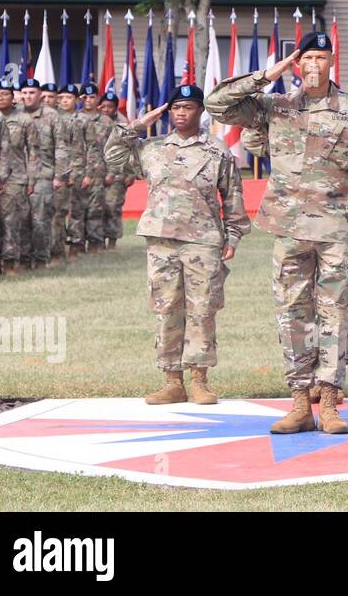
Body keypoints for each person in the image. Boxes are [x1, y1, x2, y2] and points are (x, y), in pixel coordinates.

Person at [207, 32, 348, 435]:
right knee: (292, 313)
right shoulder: (276, 106)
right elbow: (216, 103)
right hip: (289, 228)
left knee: (335, 314)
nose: (313, 66)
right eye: (306, 58)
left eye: (321, 58)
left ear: (331, 63)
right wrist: (267, 74)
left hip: (339, 229)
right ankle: (300, 402)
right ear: (296, 63)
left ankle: (329, 401)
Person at [107, 86, 250, 405]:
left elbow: (233, 196)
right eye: (175, 108)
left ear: (201, 111)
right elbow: (114, 157)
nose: (180, 113)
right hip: (162, 241)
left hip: (203, 241)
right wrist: (137, 125)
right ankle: (172, 380)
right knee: (166, 307)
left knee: (202, 308)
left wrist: (234, 235)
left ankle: (199, 379)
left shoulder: (217, 151)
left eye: (187, 107)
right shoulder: (152, 148)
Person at [0, 82, 31, 276]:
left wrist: (32, 179)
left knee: (11, 221)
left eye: (5, 94)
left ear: (12, 97)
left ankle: (9, 262)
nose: (1, 98)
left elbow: (33, 152)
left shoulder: (24, 120)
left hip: (15, 177)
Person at [19, 77, 58, 269]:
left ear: (40, 95)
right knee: (21, 219)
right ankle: (24, 259)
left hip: (44, 173)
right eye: (24, 93)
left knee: (40, 219)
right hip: (18, 175)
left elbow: (62, 146)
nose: (28, 96)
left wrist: (60, 175)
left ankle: (41, 259)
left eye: (32, 92)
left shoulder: (51, 116)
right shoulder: (15, 114)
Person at [52, 84, 85, 263]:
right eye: (62, 97)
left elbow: (80, 150)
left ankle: (74, 246)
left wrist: (76, 174)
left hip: (74, 172)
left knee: (75, 211)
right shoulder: (54, 118)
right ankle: (56, 249)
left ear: (76, 100)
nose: (64, 101)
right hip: (57, 171)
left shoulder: (80, 120)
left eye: (69, 97)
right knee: (57, 212)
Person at [98, 91, 135, 249]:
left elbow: (132, 149)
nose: (106, 109)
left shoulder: (123, 124)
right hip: (99, 171)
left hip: (119, 172)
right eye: (103, 106)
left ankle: (112, 241)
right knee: (98, 207)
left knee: (113, 206)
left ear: (115, 108)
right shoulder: (97, 121)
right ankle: (98, 240)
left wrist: (131, 173)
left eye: (109, 107)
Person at [79, 83, 109, 253]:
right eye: (85, 97)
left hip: (98, 172)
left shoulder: (106, 122)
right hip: (78, 170)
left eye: (92, 97)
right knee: (78, 209)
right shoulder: (74, 119)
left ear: (97, 99)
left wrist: (112, 172)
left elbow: (113, 149)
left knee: (96, 209)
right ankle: (78, 243)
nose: (89, 100)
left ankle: (95, 243)